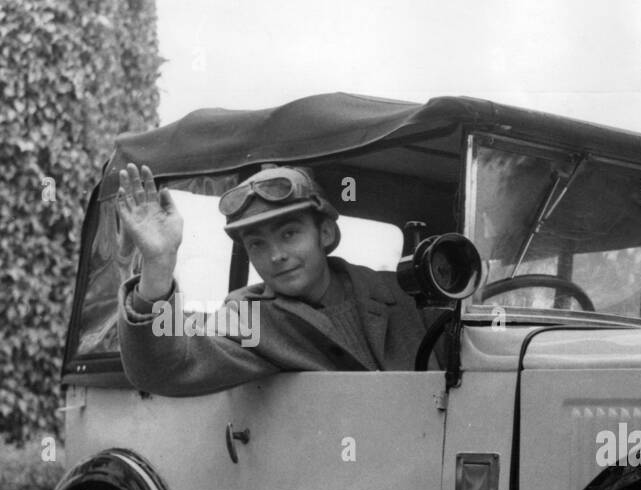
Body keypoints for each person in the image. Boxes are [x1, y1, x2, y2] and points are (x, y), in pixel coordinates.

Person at [114, 163, 427, 397]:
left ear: (326, 233)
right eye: (257, 244)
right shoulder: (251, 319)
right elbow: (164, 368)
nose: (275, 255)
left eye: (289, 234)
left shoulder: (402, 293)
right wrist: (157, 265)